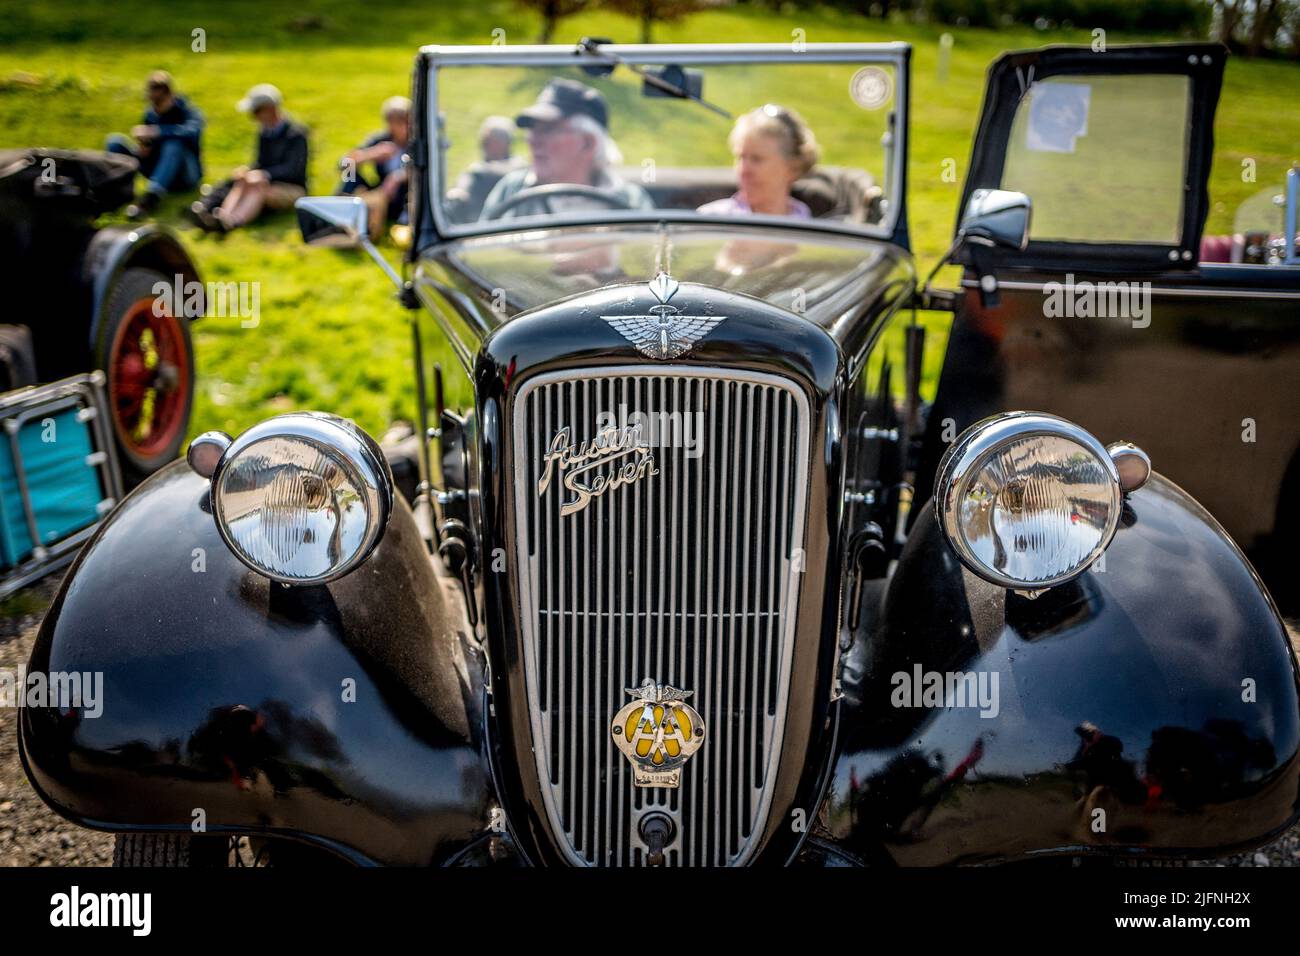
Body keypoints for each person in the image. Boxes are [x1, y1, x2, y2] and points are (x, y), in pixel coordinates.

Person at [478, 79, 653, 220]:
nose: (532, 140)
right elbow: (481, 257)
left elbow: (646, 258)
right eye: (532, 129)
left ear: (588, 143)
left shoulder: (630, 201)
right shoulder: (511, 189)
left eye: (548, 130)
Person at [190, 84, 308, 233]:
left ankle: (232, 222)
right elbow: (260, 163)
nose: (254, 117)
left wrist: (265, 174)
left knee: (259, 186)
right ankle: (220, 216)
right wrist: (248, 172)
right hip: (267, 183)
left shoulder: (296, 134)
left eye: (256, 112)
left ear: (270, 109)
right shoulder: (264, 133)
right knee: (242, 180)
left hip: (293, 189)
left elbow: (294, 169)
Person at [104, 71, 204, 220]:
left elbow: (192, 132)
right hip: (157, 167)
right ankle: (119, 193)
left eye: (160, 101)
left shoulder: (189, 112)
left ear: (171, 95)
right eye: (153, 101)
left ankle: (151, 198)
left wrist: (158, 132)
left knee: (173, 145)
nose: (156, 106)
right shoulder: (151, 114)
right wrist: (145, 147)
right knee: (114, 141)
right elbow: (150, 143)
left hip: (186, 175)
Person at [697, 104, 819, 219]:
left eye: (757, 159)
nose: (744, 170)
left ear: (792, 167)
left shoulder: (808, 224)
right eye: (741, 157)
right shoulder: (711, 219)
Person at [337, 96, 411, 236]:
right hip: (382, 193)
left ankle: (404, 222)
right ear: (389, 124)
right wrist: (370, 155)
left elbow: (429, 169)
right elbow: (343, 165)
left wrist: (398, 177)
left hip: (406, 197)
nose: (404, 128)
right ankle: (342, 206)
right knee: (350, 172)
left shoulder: (417, 142)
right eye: (398, 123)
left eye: (407, 122)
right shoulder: (380, 140)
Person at [445, 116, 525, 223]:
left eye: (489, 141)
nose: (483, 145)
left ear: (506, 143)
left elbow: (478, 174)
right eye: (484, 141)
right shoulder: (476, 170)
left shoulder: (518, 167)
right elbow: (459, 192)